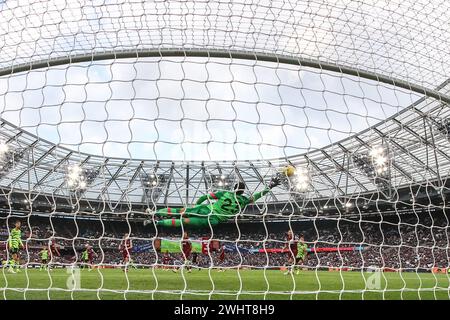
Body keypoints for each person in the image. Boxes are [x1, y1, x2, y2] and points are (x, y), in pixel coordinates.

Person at [144, 177, 280, 228]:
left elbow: (204, 198)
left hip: (206, 210)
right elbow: (257, 196)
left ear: (234, 188)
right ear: (243, 192)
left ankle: (153, 212)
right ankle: (155, 223)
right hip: (213, 222)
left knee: (180, 212)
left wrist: (197, 205)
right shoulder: (244, 201)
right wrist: (269, 187)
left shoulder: (225, 193)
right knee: (184, 223)